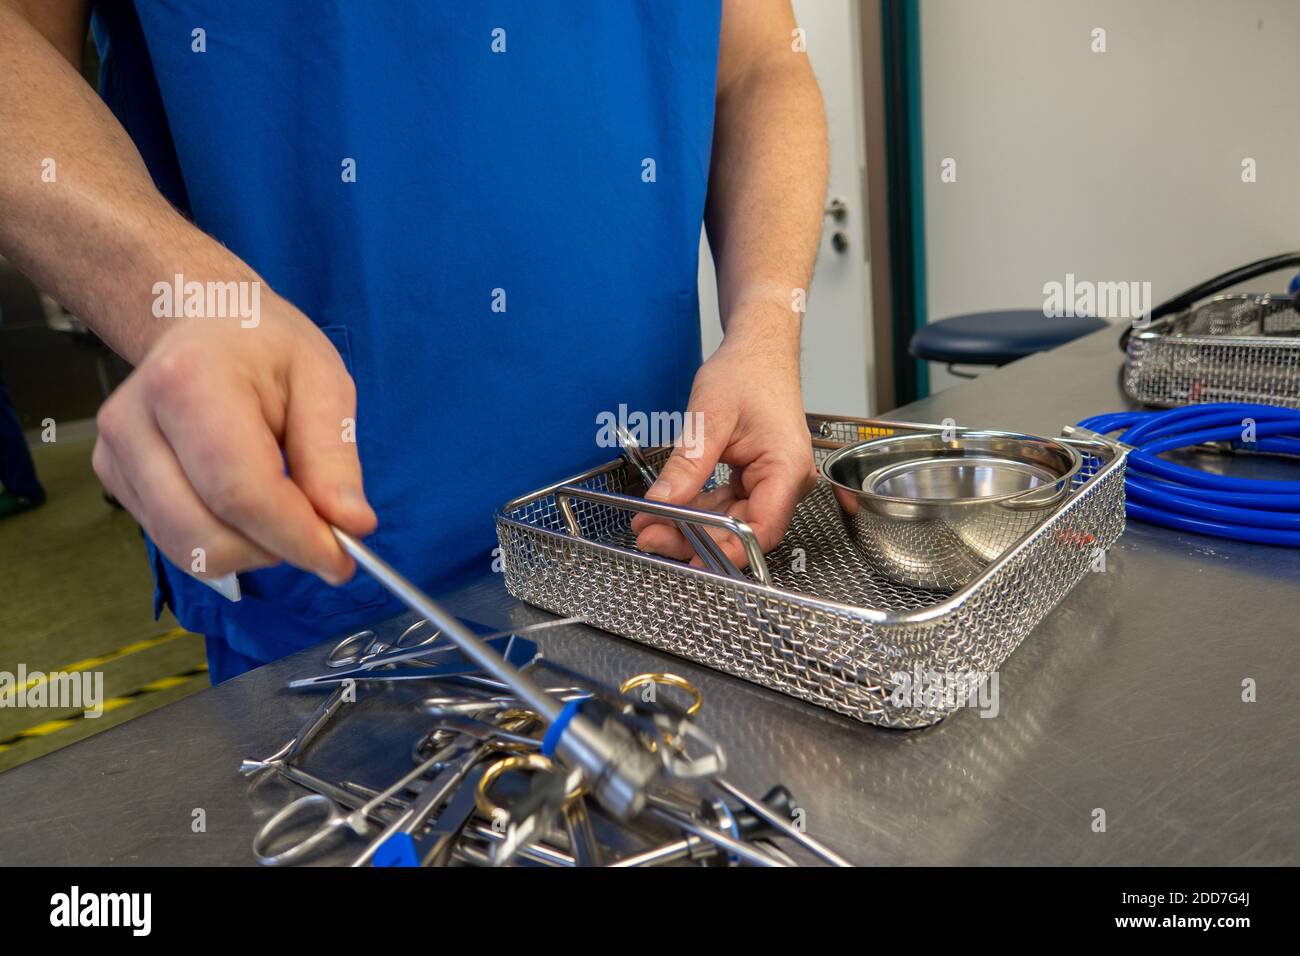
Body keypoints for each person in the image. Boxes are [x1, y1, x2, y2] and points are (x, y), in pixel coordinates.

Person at [0, 0, 828, 681]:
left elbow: (760, 64)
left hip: (662, 524)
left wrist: (762, 324)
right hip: (342, 546)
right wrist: (171, 288)